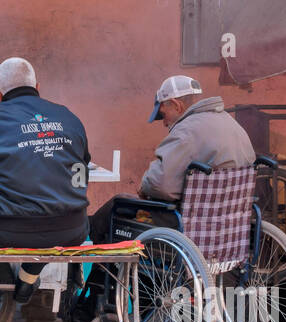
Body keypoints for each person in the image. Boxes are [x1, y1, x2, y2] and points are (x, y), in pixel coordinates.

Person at [0, 57, 91, 308]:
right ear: (38, 86)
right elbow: (82, 168)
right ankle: (28, 278)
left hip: (6, 232)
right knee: (47, 215)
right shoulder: (70, 118)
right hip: (73, 229)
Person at [88, 75, 254, 243]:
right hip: (229, 225)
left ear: (176, 105)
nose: (164, 122)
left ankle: (97, 265)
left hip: (186, 222)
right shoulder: (232, 125)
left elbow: (161, 186)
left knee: (117, 204)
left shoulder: (186, 131)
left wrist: (145, 186)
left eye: (163, 114)